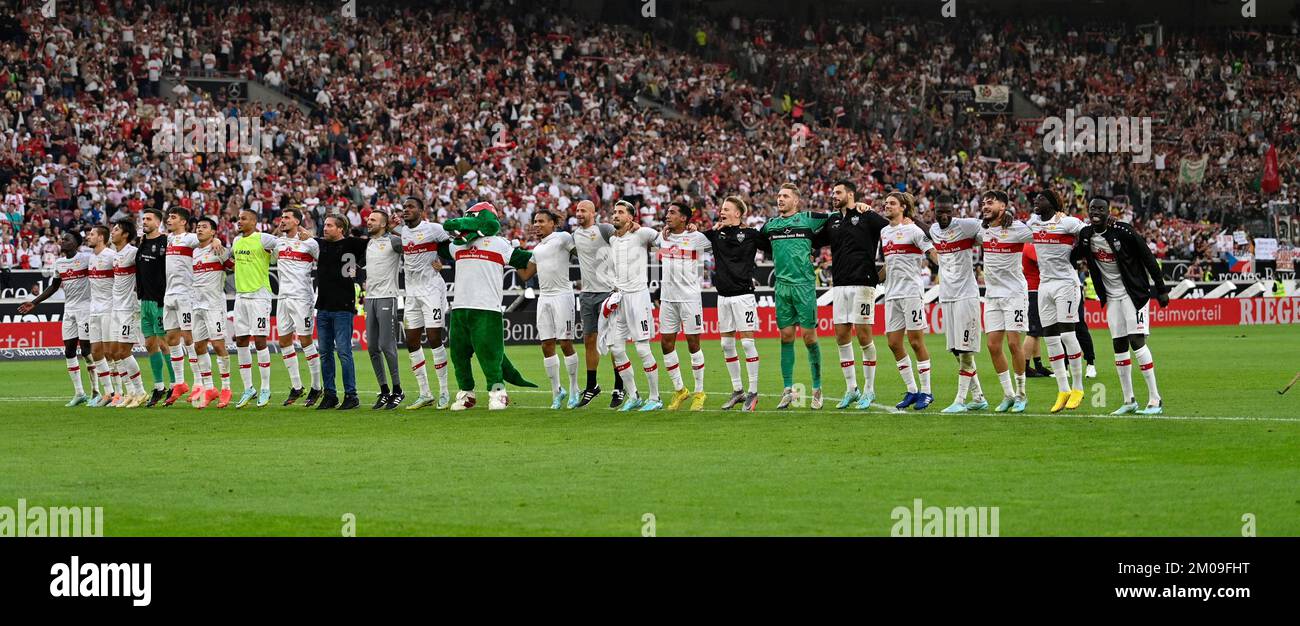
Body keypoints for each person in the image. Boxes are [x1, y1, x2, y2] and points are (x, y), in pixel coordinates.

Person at [1072, 198, 1170, 415]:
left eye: (1100, 208)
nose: (1095, 211)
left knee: (1137, 341)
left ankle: (1155, 399)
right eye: (1092, 209)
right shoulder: (1087, 235)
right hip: (1112, 297)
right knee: (1119, 346)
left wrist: (1161, 289)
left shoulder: (1124, 231)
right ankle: (1129, 400)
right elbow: (1074, 255)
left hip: (1133, 294)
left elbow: (1147, 257)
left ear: (1109, 212)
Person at [821, 180, 889, 410]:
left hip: (863, 283)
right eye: (833, 192)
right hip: (839, 284)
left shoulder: (867, 215)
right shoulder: (832, 220)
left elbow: (892, 228)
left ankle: (869, 389)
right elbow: (814, 239)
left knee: (863, 334)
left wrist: (870, 208)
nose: (833, 195)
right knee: (841, 335)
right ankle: (852, 388)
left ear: (850, 194)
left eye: (838, 192)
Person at [760, 183, 828, 410]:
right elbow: (755, 240)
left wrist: (857, 206)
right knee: (786, 337)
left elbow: (836, 219)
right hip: (781, 287)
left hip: (804, 287)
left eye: (785, 196)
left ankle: (817, 389)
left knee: (809, 338)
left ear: (796, 201)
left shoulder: (808, 219)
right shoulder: (771, 225)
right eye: (779, 195)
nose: (780, 199)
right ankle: (788, 390)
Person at [702, 196, 766, 411]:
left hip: (743, 296)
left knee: (747, 343)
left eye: (727, 209)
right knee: (726, 344)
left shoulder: (750, 234)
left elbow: (772, 244)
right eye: (721, 208)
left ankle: (753, 392)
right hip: (723, 297)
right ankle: (738, 390)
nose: (722, 211)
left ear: (738, 213)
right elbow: (692, 237)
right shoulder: (715, 234)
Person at [1027, 190, 1087, 413]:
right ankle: (1063, 389)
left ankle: (1078, 387)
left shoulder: (1068, 222)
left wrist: (1078, 251)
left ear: (1052, 204)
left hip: (1066, 284)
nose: (1036, 201)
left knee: (1068, 334)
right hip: (1045, 286)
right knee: (1050, 338)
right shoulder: (1033, 223)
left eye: (1040, 199)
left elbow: (1089, 234)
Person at [879, 192, 939, 410]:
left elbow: (931, 252)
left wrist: (946, 265)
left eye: (892, 203)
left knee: (915, 342)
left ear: (903, 207)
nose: (887, 206)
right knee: (893, 343)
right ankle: (912, 390)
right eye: (885, 203)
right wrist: (872, 279)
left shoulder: (914, 230)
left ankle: (927, 391)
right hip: (891, 294)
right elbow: (888, 263)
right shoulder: (884, 232)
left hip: (912, 293)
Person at [18, 232, 93, 406]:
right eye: (62, 239)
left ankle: (96, 391)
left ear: (76, 243)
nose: (62, 241)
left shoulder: (86, 259)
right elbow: (54, 286)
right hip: (69, 310)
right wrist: (34, 303)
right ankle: (80, 393)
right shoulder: (59, 263)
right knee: (68, 351)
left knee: (87, 352)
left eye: (67, 239)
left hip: (85, 309)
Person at [517, 209, 581, 409]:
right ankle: (557, 392)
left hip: (563, 295)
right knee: (546, 345)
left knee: (566, 343)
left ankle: (574, 389)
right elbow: (526, 275)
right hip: (544, 298)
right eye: (535, 221)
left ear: (553, 223)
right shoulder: (537, 249)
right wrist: (514, 257)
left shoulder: (562, 238)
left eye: (541, 221)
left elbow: (579, 252)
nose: (537, 224)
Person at [930, 196, 989, 413]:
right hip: (947, 296)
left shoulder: (966, 225)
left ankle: (960, 400)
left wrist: (1004, 218)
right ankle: (979, 397)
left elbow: (988, 229)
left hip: (966, 295)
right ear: (935, 212)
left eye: (947, 212)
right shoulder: (934, 230)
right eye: (940, 212)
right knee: (956, 350)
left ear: (953, 211)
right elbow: (923, 227)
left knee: (965, 352)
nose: (943, 216)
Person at [396, 197, 452, 410]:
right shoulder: (402, 231)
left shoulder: (434, 229)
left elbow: (451, 246)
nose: (406, 210)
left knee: (434, 338)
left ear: (421, 210)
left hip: (432, 290)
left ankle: (444, 391)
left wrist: (443, 262)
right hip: (411, 294)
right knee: (411, 340)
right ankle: (425, 393)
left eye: (410, 207)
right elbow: (391, 230)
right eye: (404, 207)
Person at [606, 199, 663, 411]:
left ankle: (655, 398)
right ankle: (634, 395)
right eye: (614, 212)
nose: (615, 215)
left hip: (638, 298)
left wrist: (646, 229)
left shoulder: (641, 234)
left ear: (631, 217)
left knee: (642, 348)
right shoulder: (613, 241)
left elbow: (662, 240)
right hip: (618, 298)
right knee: (616, 348)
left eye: (620, 212)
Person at [655, 202, 712, 411]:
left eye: (672, 212)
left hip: (690, 298)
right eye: (667, 211)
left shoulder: (697, 238)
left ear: (684, 218)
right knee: (666, 344)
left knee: (693, 343)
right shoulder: (662, 236)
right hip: (668, 299)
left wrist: (696, 228)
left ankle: (699, 392)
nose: (667, 215)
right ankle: (680, 390)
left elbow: (718, 238)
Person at [312, 214, 369, 410]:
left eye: (329, 225)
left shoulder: (353, 244)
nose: (324, 228)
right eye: (324, 225)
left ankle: (351, 395)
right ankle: (330, 395)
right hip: (323, 307)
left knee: (344, 353)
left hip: (343, 308)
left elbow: (378, 241)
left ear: (340, 229)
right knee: (325, 353)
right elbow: (297, 236)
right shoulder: (320, 244)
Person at [571, 200, 625, 408]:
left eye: (583, 210)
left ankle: (619, 387)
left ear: (593, 213)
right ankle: (592, 386)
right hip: (587, 294)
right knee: (589, 340)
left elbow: (624, 235)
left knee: (613, 342)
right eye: (577, 210)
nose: (579, 213)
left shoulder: (603, 229)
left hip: (607, 292)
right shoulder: (574, 235)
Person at [231, 206, 282, 408]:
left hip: (259, 296)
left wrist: (275, 253)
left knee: (260, 340)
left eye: (243, 219)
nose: (239, 221)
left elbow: (280, 248)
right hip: (240, 297)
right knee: (242, 340)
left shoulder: (264, 238)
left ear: (253, 221)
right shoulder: (236, 241)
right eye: (238, 218)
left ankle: (265, 388)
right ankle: (248, 388)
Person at [274, 208, 324, 407]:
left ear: (297, 221)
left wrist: (313, 238)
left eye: (287, 218)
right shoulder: (277, 242)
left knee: (305, 340)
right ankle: (296, 386)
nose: (282, 220)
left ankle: (316, 386)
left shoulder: (309, 243)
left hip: (302, 298)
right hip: (283, 297)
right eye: (282, 217)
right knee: (284, 341)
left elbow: (326, 257)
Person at [362, 209, 406, 409]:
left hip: (387, 297)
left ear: (383, 224)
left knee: (387, 345)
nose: (368, 221)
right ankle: (384, 390)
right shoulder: (369, 242)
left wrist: (399, 228)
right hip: (370, 298)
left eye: (373, 219)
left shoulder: (394, 241)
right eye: (368, 219)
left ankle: (398, 390)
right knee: (372, 347)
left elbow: (413, 244)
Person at [190, 217, 234, 409]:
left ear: (213, 232)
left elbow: (235, 267)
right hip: (196, 305)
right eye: (198, 227)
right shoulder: (193, 252)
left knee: (217, 345)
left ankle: (226, 388)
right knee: (198, 347)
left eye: (204, 227)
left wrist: (222, 245)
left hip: (214, 305)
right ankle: (209, 388)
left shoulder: (219, 250)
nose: (199, 229)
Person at [161, 207, 200, 406]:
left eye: (173, 217)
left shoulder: (191, 238)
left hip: (186, 294)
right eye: (168, 216)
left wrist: (217, 240)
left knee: (188, 337)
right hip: (170, 294)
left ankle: (199, 383)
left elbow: (208, 240)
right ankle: (179, 382)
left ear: (183, 222)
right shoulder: (168, 239)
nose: (169, 219)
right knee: (171, 338)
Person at [136, 208, 175, 406]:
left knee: (164, 343)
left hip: (161, 301)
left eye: (148, 219)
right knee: (150, 344)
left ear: (158, 222)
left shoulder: (165, 242)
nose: (144, 221)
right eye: (143, 219)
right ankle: (159, 387)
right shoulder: (141, 243)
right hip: (145, 301)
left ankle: (176, 385)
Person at [107, 220, 147, 407]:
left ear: (125, 235)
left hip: (129, 309)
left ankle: (140, 392)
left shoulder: (132, 253)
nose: (112, 232)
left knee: (124, 350)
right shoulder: (116, 255)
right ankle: (130, 392)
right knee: (115, 352)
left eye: (116, 229)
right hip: (117, 308)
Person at [85, 225, 120, 406]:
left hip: (109, 308)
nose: (88, 237)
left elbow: (122, 280)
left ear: (101, 237)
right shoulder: (90, 257)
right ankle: (108, 392)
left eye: (91, 234)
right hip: (94, 309)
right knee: (96, 351)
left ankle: (119, 393)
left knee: (110, 352)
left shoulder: (111, 256)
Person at [1020, 242, 1053, 378]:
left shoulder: (1028, 246)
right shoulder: (1030, 247)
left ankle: (1038, 365)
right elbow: (1044, 261)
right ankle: (1025, 367)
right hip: (1034, 290)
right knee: (1033, 331)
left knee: (1036, 331)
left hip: (1034, 289)